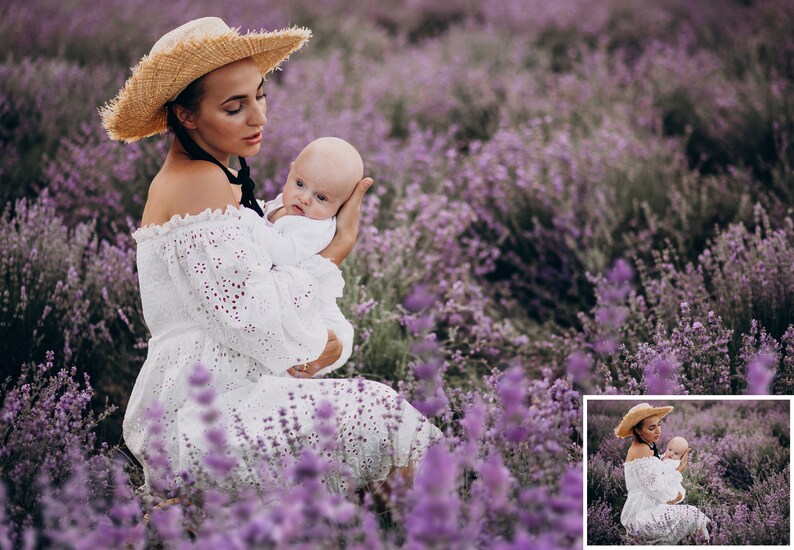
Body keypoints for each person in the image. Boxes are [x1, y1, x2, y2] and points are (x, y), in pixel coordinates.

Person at [100, 17, 441, 495]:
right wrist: (336, 250)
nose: (260, 118)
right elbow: (256, 320)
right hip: (200, 414)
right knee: (382, 419)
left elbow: (274, 305)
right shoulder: (198, 184)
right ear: (188, 115)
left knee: (382, 422)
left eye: (260, 95)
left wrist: (333, 340)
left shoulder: (223, 177)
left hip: (231, 390)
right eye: (235, 107)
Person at [614, 403, 710, 544]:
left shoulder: (647, 445)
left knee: (692, 517)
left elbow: (659, 481)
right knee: (694, 515)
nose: (658, 431)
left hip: (648, 509)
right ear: (638, 430)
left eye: (659, 425)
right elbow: (658, 490)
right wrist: (679, 469)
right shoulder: (641, 450)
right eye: (652, 428)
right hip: (640, 516)